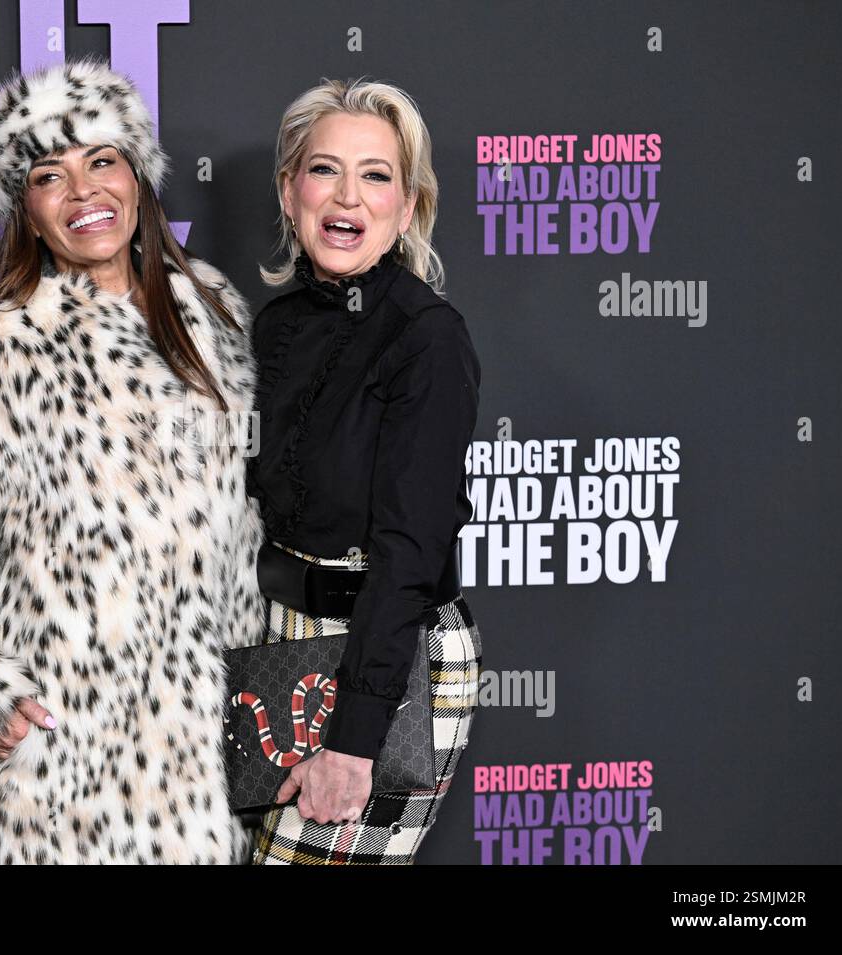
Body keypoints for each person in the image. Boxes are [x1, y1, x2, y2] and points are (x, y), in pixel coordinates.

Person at [0, 56, 267, 864]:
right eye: (50, 175)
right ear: (27, 210)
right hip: (52, 796)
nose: (84, 192)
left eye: (102, 161)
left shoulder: (219, 320)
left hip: (198, 778)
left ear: (139, 176)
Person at [246, 77, 483, 864]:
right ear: (289, 191)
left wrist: (353, 743)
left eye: (376, 175)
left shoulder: (427, 338)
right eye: (324, 170)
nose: (348, 195)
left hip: (389, 657)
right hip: (278, 641)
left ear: (407, 207)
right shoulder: (272, 326)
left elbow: (410, 554)